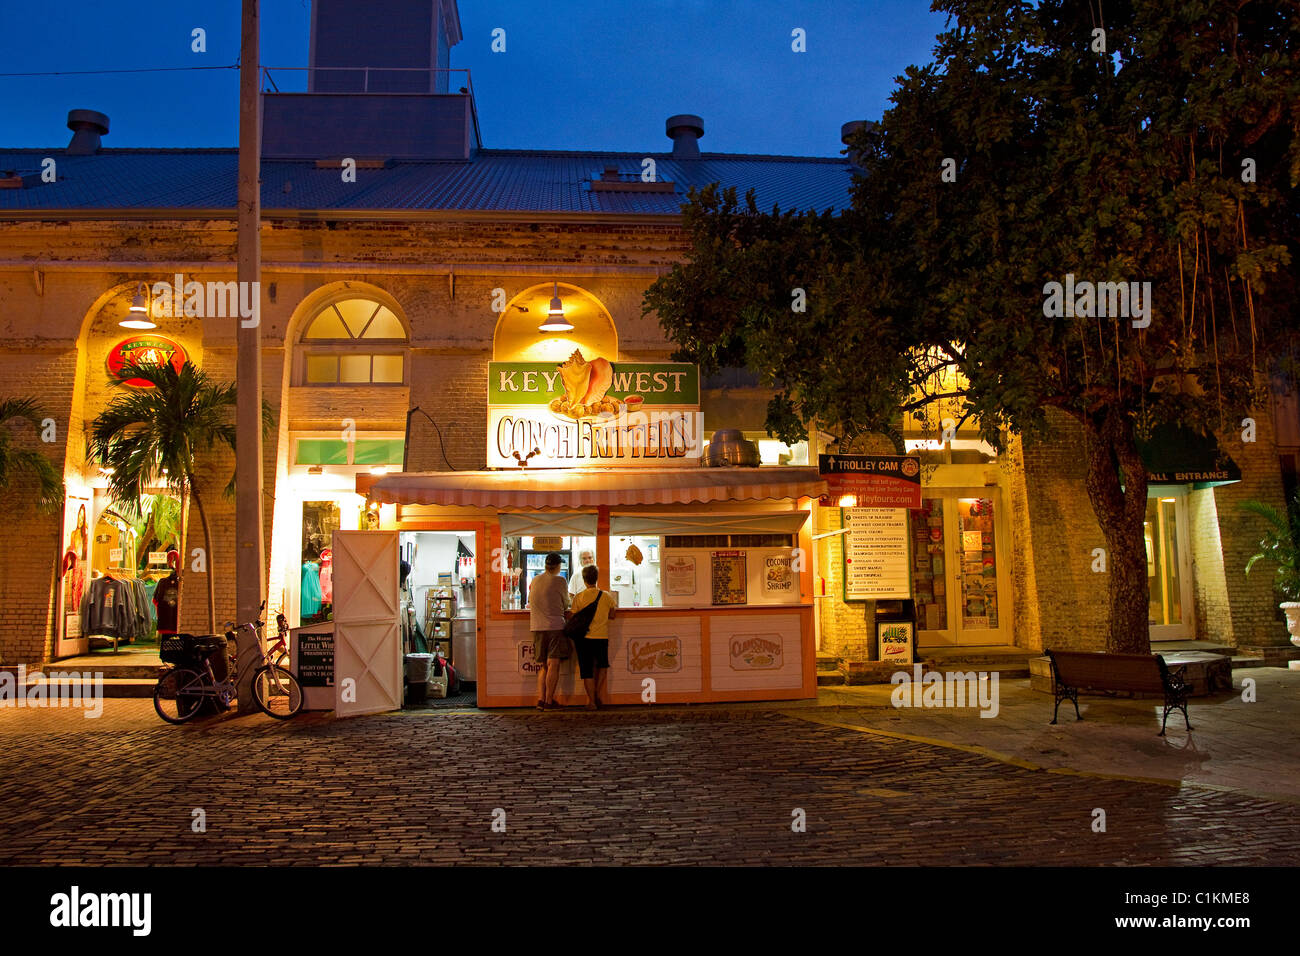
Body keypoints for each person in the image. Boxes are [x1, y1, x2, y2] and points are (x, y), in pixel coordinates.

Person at [528, 552, 572, 710]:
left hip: (536, 627)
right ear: (559, 566)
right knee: (553, 663)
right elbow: (566, 604)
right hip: (554, 626)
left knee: (542, 666)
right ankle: (548, 701)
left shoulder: (535, 579)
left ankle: (541, 699)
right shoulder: (560, 580)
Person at [569, 564, 616, 710]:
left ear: (583, 580)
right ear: (596, 578)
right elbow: (613, 615)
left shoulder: (578, 597)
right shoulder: (606, 596)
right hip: (602, 636)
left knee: (586, 670)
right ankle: (597, 693)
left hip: (584, 639)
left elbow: (573, 617)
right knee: (602, 666)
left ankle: (591, 701)